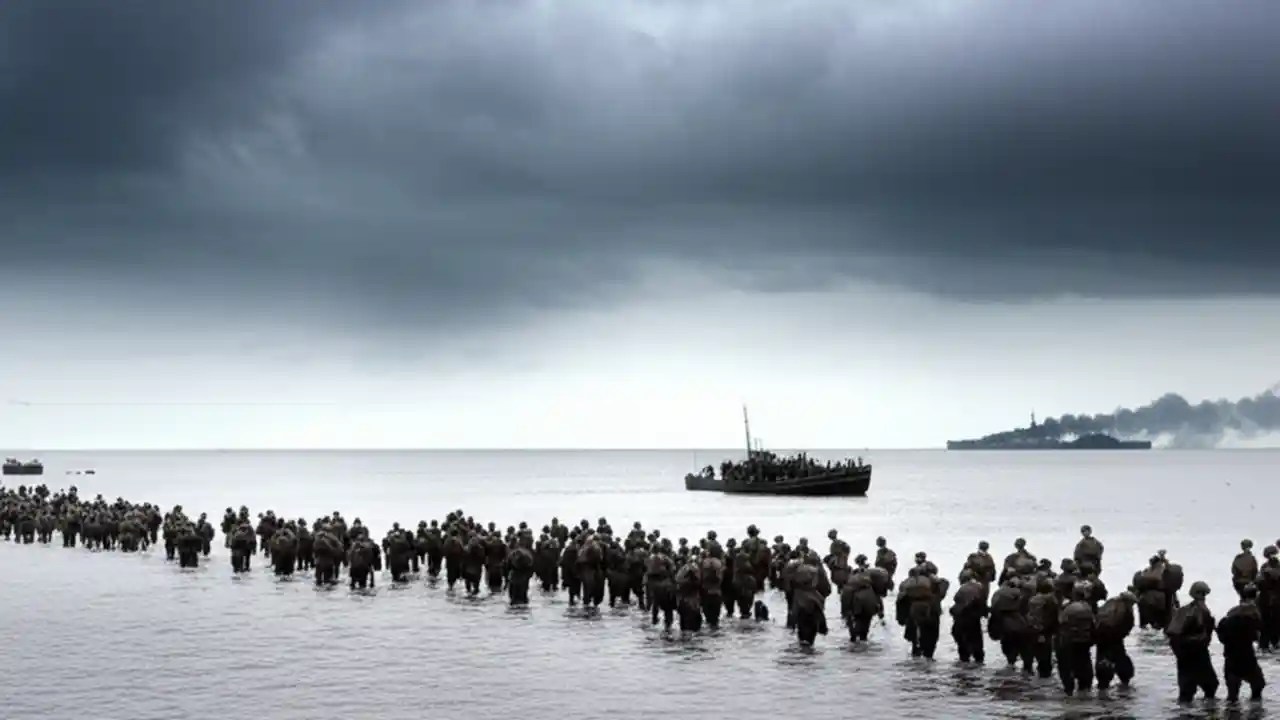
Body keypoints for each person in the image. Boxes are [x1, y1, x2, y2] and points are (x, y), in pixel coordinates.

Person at [1166, 581, 1219, 703]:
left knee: (1187, 688)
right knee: (1209, 685)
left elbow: (1172, 633)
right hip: (1196, 652)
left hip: (1184, 652)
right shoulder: (1200, 611)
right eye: (1203, 594)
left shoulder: (1184, 610)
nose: (1204, 597)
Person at [1217, 583, 1265, 703]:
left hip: (1230, 657)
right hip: (1246, 657)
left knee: (1232, 696)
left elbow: (1222, 635)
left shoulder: (1231, 612)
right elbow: (1257, 636)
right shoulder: (1253, 612)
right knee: (1258, 685)